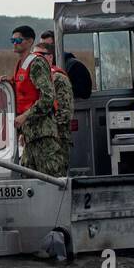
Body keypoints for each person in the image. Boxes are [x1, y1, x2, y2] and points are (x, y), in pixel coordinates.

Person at [0, 25, 63, 176]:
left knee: (50, 179)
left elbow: (48, 97)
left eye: (18, 40)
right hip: (29, 135)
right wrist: (9, 82)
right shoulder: (21, 64)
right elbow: (25, 90)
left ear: (29, 42)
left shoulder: (36, 63)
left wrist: (25, 116)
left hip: (43, 134)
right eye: (12, 40)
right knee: (27, 177)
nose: (14, 43)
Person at [33, 38, 75, 169]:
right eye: (33, 56)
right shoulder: (34, 78)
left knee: (54, 175)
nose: (35, 59)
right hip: (35, 140)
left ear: (50, 57)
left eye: (39, 55)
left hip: (55, 140)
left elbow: (65, 112)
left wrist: (50, 134)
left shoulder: (59, 79)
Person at [40, 29, 92, 99]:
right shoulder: (43, 66)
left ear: (57, 46)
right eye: (41, 46)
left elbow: (84, 93)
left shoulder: (75, 67)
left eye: (47, 46)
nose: (43, 50)